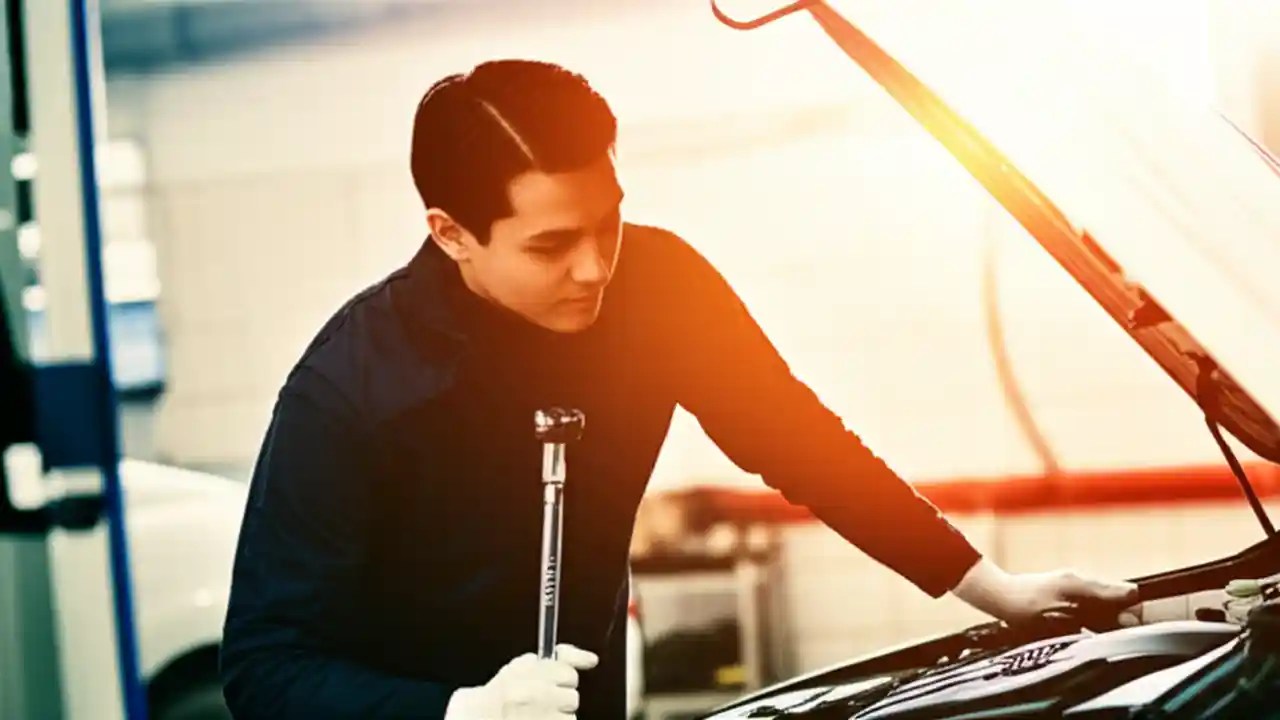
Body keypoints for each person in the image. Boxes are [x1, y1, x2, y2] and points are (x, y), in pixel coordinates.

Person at [219, 59, 1137, 719]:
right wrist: (460, 711)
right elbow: (265, 668)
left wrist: (988, 586)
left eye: (607, 221)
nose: (595, 269)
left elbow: (796, 439)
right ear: (452, 233)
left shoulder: (661, 286)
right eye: (548, 245)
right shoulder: (347, 389)